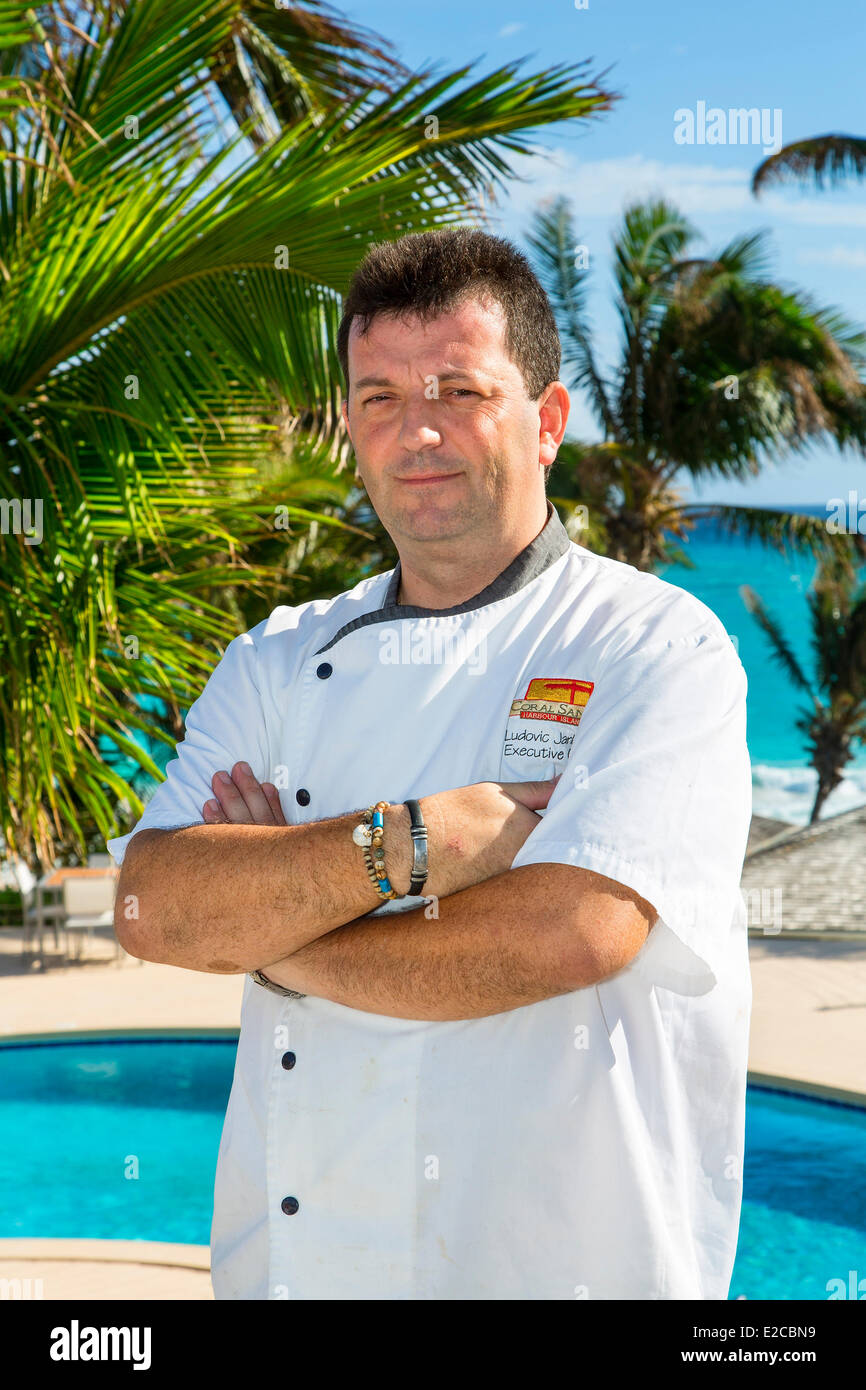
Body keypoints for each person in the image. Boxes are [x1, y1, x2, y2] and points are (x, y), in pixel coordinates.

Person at [107, 226, 752, 1301]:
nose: (416, 431)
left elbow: (573, 929)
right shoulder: (275, 658)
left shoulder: (651, 643)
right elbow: (149, 908)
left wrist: (275, 939)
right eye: (377, 398)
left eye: (458, 390)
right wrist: (418, 841)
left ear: (546, 421)